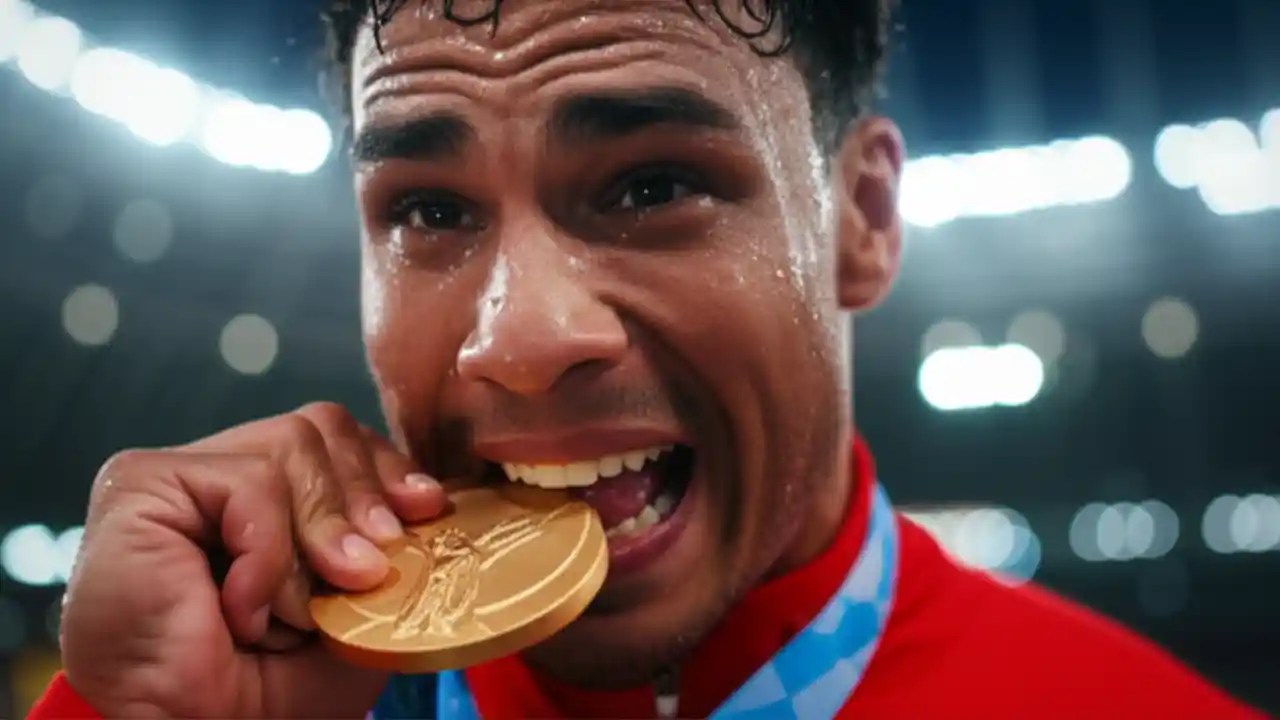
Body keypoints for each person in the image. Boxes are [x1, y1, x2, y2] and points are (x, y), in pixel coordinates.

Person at [28, 1, 1264, 718]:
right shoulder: (220, 698)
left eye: (654, 183)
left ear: (861, 220)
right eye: (428, 212)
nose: (513, 339)